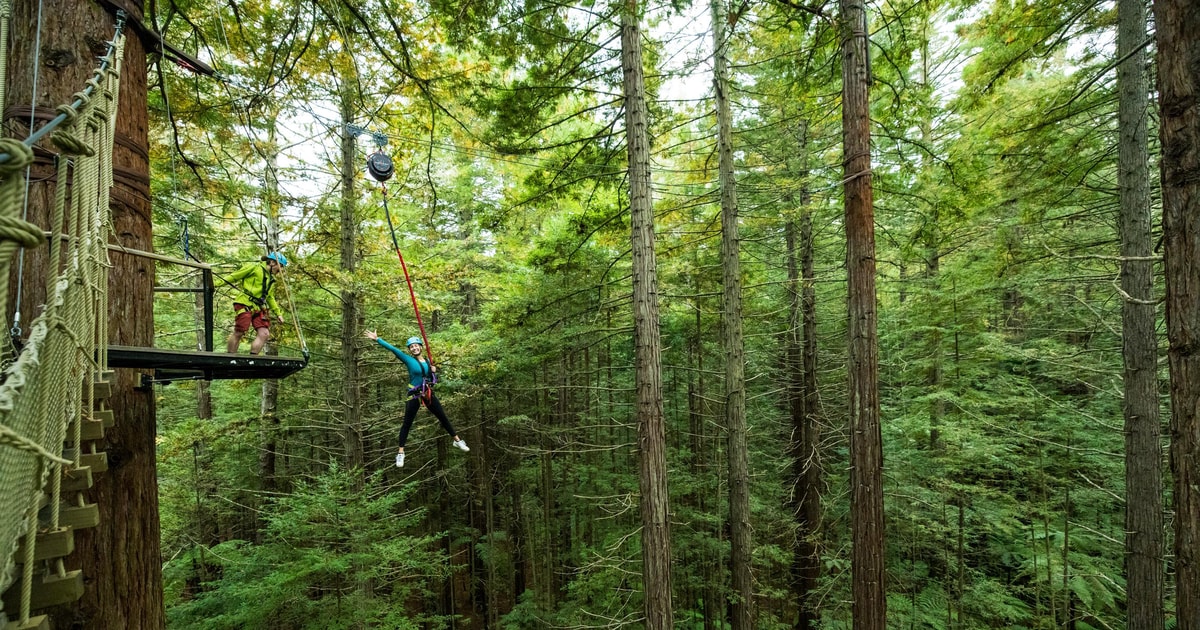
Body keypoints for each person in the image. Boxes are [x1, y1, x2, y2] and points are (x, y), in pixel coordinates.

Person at [364, 330, 469, 467]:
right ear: (410, 350)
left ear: (420, 346)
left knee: (442, 416)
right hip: (414, 394)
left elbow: (431, 380)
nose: (414, 348)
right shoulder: (408, 360)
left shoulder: (428, 361)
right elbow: (394, 350)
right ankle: (400, 453)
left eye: (416, 345)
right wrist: (378, 339)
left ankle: (457, 440)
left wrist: (433, 372)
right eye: (411, 347)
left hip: (427, 393)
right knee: (407, 423)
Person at [225, 252, 287, 355]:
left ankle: (252, 359)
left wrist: (278, 313)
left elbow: (270, 297)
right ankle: (230, 358)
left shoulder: (271, 279)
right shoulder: (254, 268)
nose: (280, 270)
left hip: (259, 306)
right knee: (240, 331)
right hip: (244, 302)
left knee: (264, 334)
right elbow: (235, 276)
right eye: (280, 266)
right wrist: (214, 284)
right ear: (272, 262)